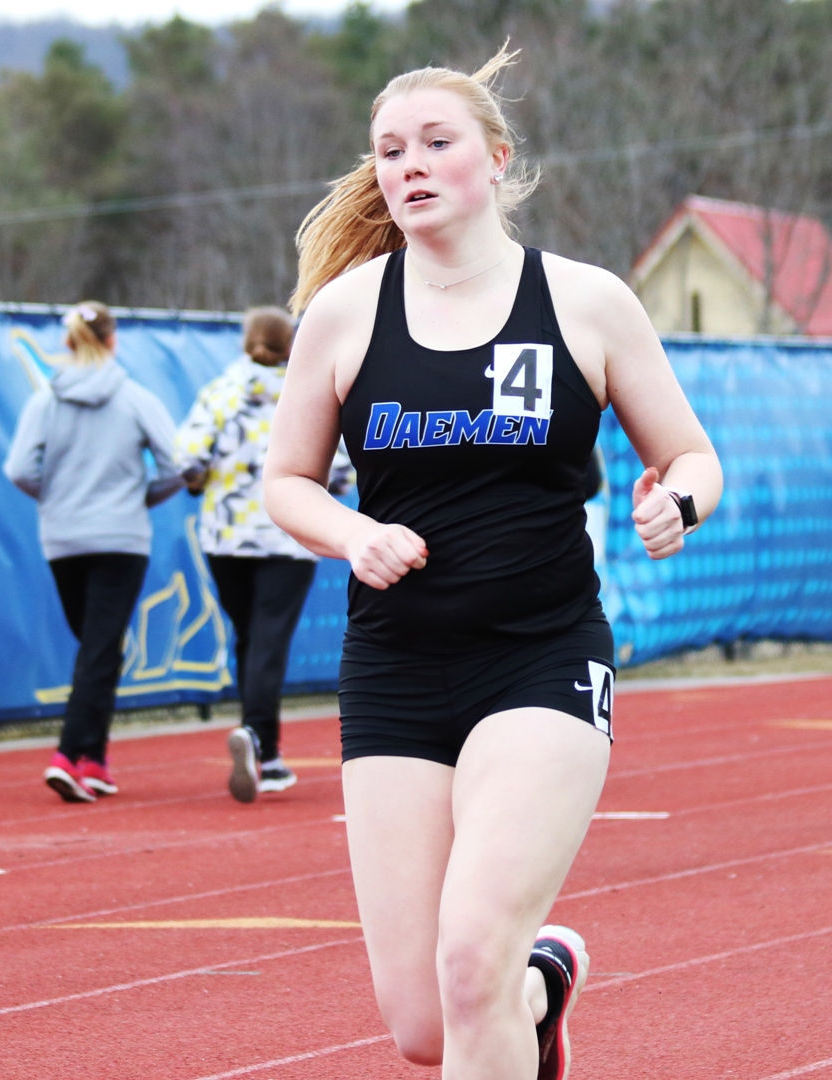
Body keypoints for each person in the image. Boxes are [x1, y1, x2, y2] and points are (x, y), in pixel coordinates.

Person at [263, 46, 722, 1080]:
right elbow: (285, 481)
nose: (409, 166)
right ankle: (541, 987)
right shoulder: (344, 313)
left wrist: (679, 501)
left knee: (469, 955)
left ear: (496, 161)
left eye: (436, 142)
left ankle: (509, 978)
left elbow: (690, 455)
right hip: (395, 669)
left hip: (540, 659)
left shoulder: (585, 303)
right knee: (427, 1026)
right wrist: (352, 534)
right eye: (390, 150)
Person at [5, 301, 183, 804]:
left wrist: (58, 500)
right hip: (121, 538)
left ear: (68, 344)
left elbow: (19, 468)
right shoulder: (135, 398)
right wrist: (138, 499)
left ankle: (93, 759)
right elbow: (176, 463)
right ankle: (70, 755)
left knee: (96, 648)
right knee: (100, 650)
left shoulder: (45, 401)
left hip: (63, 538)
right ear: (112, 340)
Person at [176, 306, 354, 803]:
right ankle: (258, 739)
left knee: (250, 638)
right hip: (286, 536)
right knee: (270, 641)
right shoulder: (301, 392)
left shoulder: (219, 392)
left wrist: (203, 482)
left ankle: (266, 751)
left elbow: (187, 458)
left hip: (225, 538)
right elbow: (341, 471)